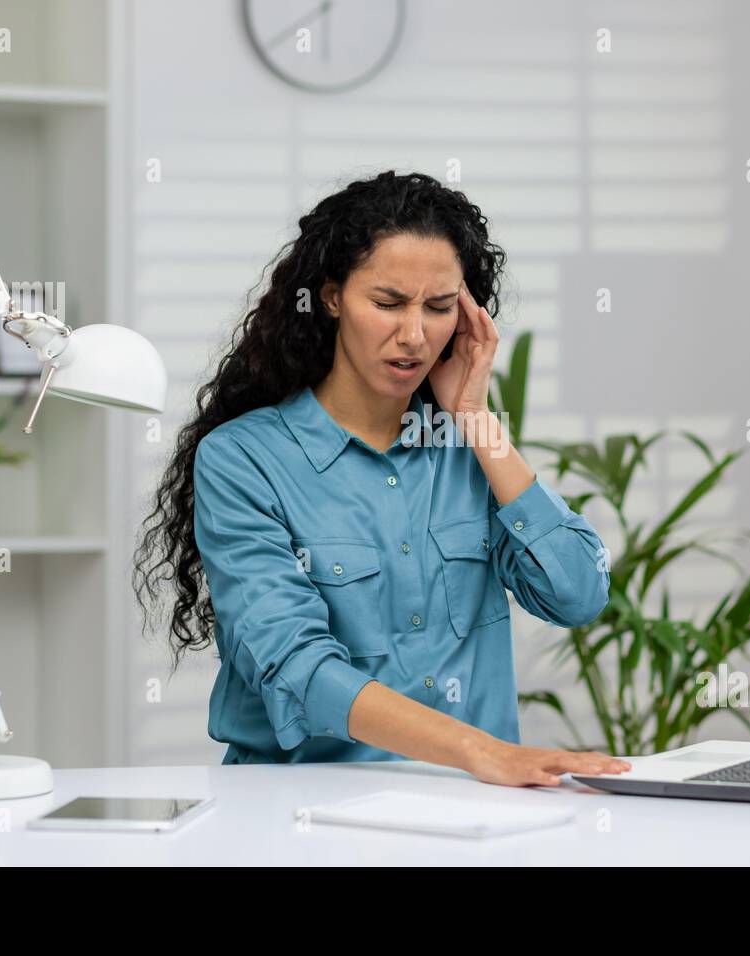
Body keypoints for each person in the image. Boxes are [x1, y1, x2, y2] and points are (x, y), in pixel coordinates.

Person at [133, 170, 631, 787]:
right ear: (334, 297)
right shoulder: (243, 459)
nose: (415, 335)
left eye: (440, 307)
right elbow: (297, 666)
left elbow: (577, 594)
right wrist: (478, 749)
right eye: (388, 303)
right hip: (300, 810)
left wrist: (476, 421)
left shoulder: (466, 447)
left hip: (470, 812)